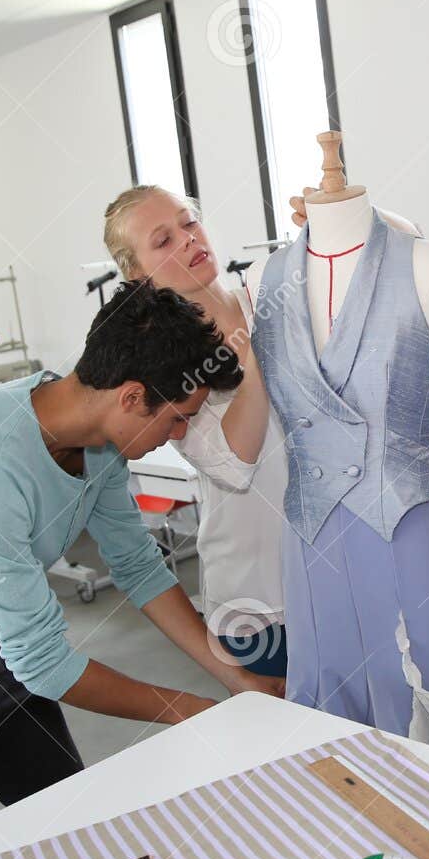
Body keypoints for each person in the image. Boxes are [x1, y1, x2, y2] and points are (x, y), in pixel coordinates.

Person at [0, 280, 284, 859]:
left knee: (62, 819)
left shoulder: (101, 445)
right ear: (132, 396)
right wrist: (184, 708)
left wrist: (231, 674)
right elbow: (43, 664)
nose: (178, 436)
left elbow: (139, 567)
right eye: (175, 420)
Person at [103, 185, 288, 676]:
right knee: (289, 747)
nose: (188, 240)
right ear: (136, 275)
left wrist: (334, 218)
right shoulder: (167, 363)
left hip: (336, 569)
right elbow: (234, 461)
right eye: (163, 241)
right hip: (259, 601)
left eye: (189, 223)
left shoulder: (267, 293)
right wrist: (259, 348)